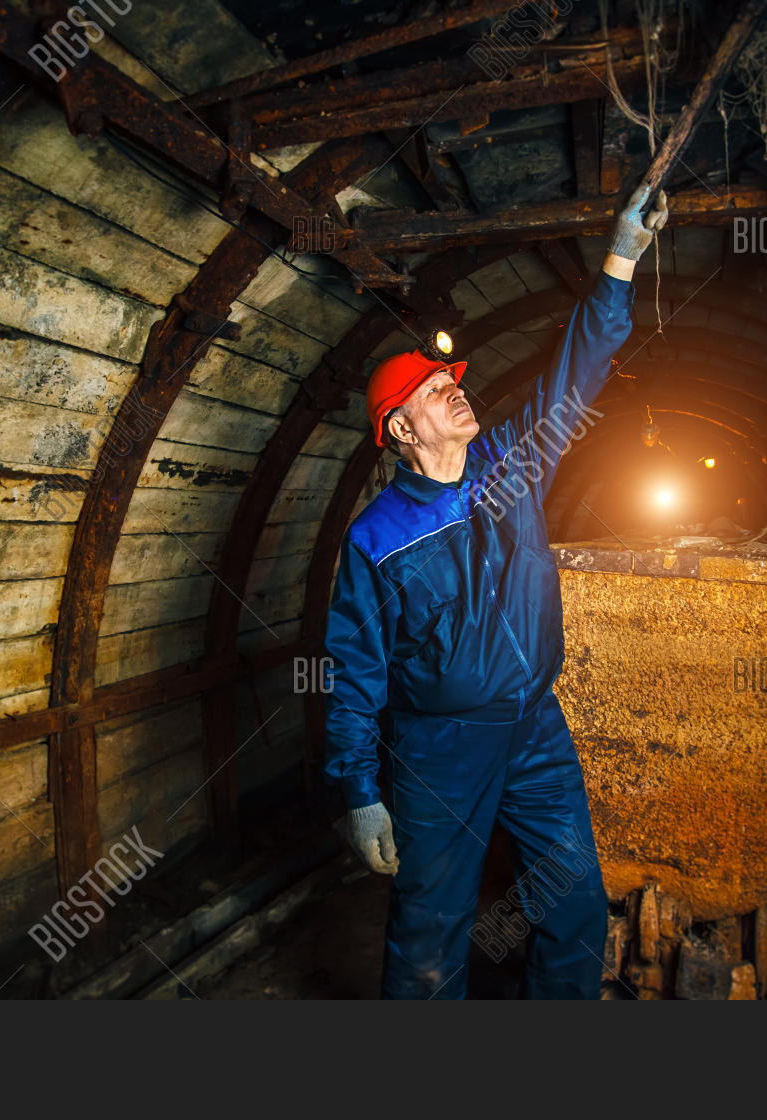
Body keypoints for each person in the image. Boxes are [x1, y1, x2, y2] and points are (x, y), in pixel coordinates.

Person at [322, 184, 670, 999]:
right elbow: (352, 677)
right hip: (440, 751)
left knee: (575, 900)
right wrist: (360, 795)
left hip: (535, 727)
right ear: (401, 431)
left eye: (456, 380)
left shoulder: (512, 469)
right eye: (433, 389)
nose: (456, 388)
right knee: (431, 931)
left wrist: (621, 256)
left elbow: (577, 367)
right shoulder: (374, 541)